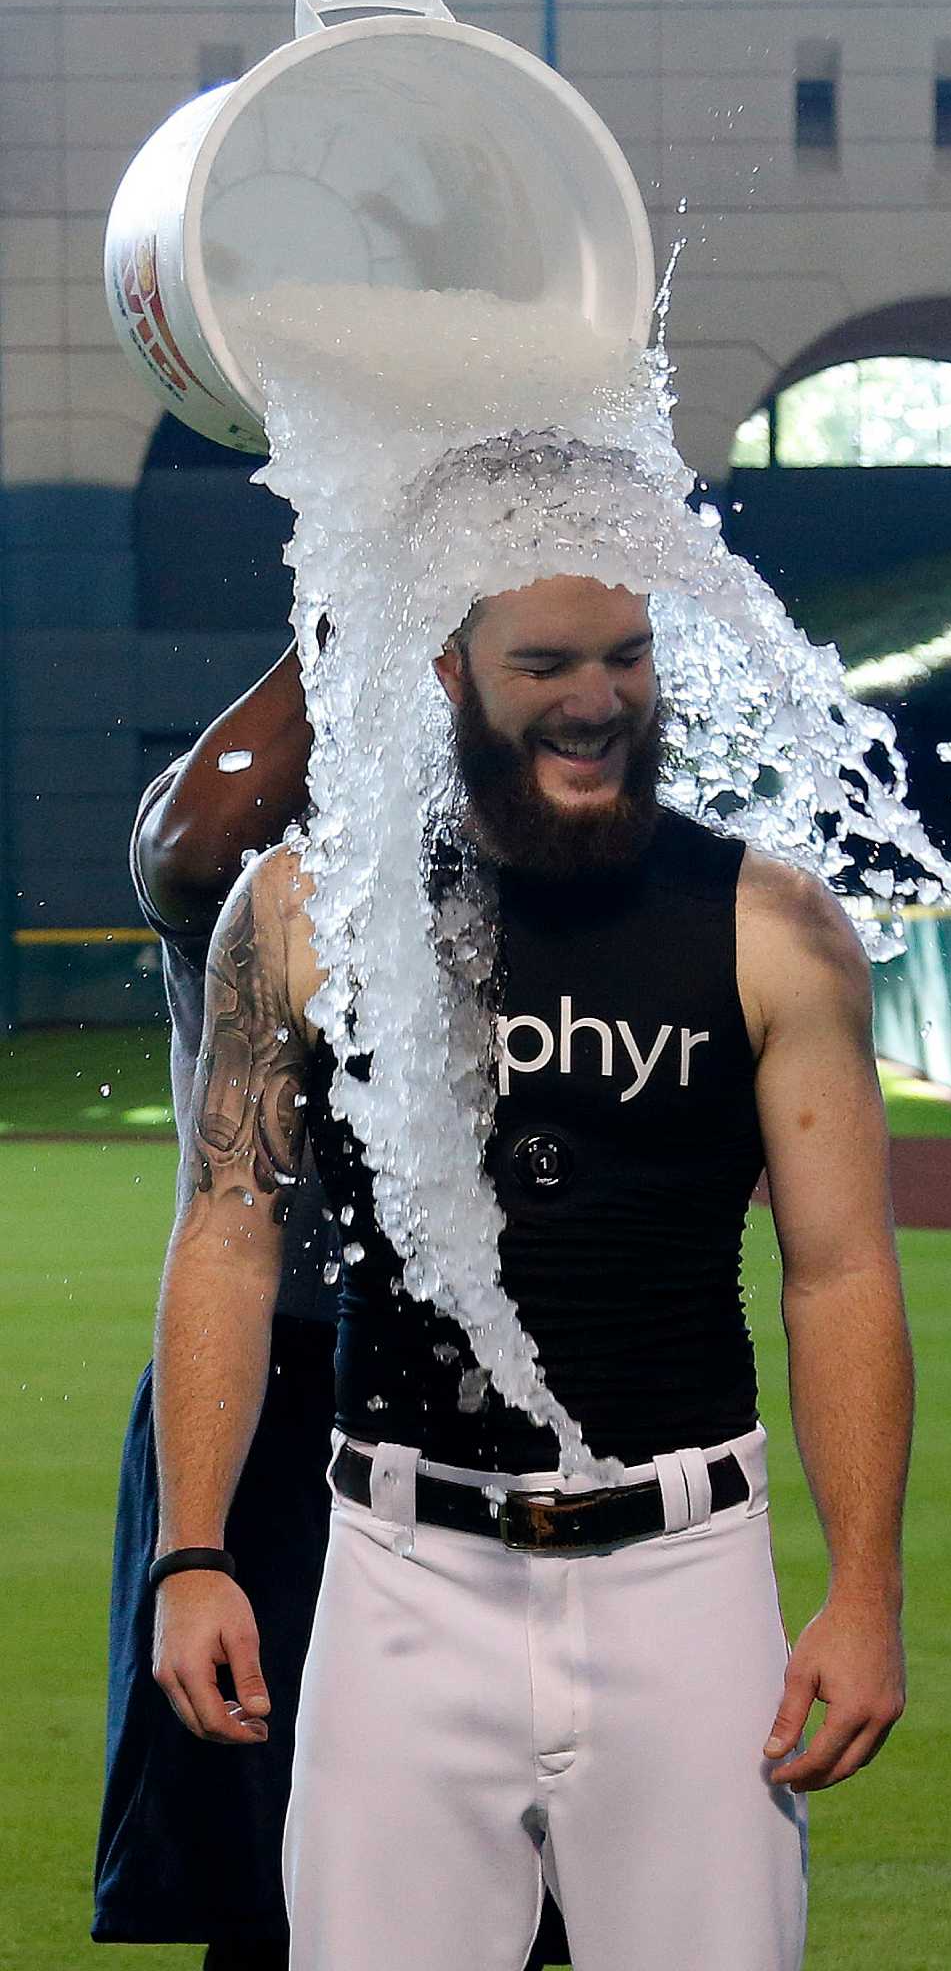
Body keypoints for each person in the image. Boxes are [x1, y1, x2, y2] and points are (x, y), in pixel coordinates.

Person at [149, 576, 912, 1971]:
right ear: (450, 672)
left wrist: (865, 1592)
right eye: (547, 663)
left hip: (686, 1578)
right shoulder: (310, 910)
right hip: (401, 1572)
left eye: (627, 659)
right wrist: (191, 1552)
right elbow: (228, 1233)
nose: (595, 700)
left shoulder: (772, 924)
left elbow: (841, 1275)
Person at [93, 646, 572, 1971]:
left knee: (527, 1877)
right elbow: (199, 837)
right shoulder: (265, 875)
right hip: (276, 1394)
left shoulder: (525, 862)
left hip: (516, 1398)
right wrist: (363, 583)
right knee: (276, 1881)